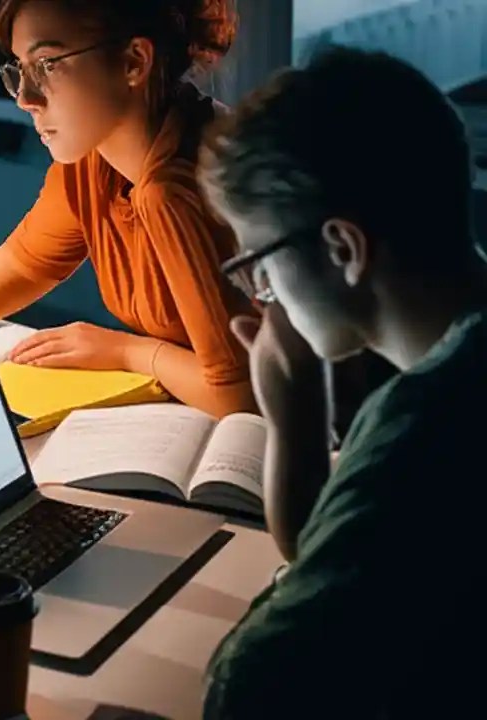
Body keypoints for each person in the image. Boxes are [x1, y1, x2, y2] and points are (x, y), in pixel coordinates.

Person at [198, 47, 484, 717]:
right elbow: (346, 570)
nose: (261, 295)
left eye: (260, 265)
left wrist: (290, 418)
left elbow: (248, 691)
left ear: (343, 249)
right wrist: (299, 414)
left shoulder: (424, 425)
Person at [0, 0, 257, 418]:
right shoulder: (95, 163)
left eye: (47, 65)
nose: (25, 99)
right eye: (20, 69)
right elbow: (22, 266)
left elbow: (239, 398)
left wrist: (127, 352)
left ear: (134, 61)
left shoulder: (173, 190)